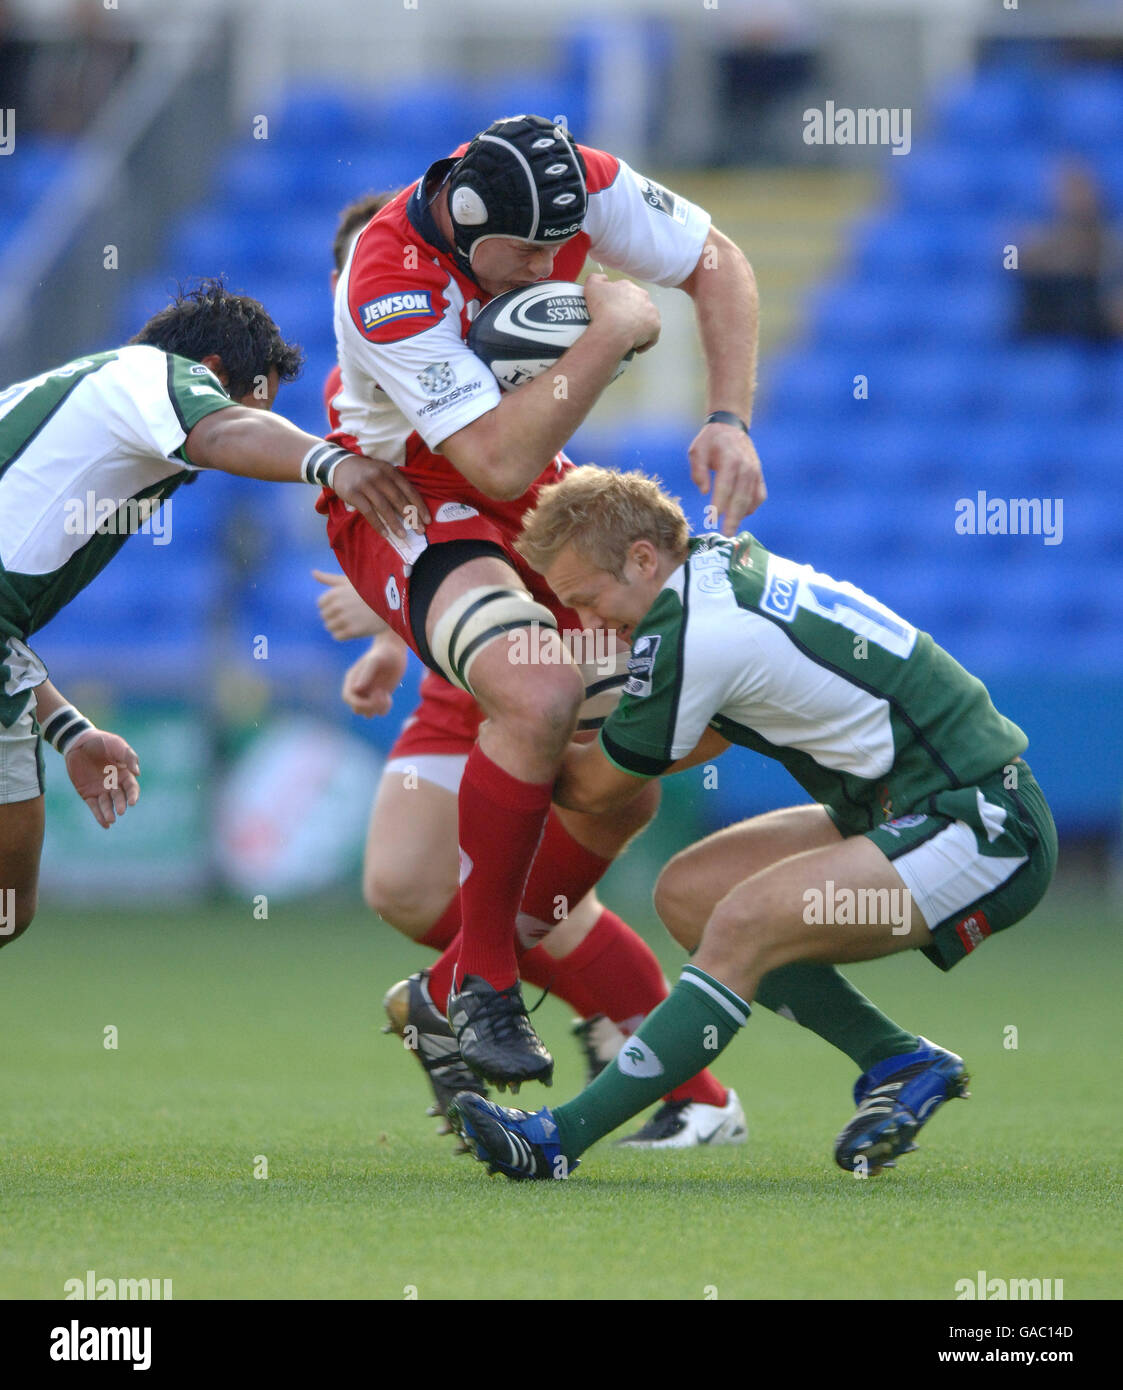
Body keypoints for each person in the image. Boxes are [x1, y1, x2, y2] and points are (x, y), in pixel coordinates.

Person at [447, 467, 1058, 1179]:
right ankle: (898, 1060)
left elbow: (592, 789)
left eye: (587, 599)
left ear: (643, 559)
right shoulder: (711, 567)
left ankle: (554, 1140)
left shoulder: (695, 630)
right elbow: (700, 733)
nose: (587, 623)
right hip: (907, 803)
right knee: (691, 894)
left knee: (739, 923)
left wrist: (517, 737)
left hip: (980, 822)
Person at [322, 113, 765, 1088]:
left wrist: (727, 415)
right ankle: (482, 984)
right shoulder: (386, 279)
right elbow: (487, 457)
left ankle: (489, 998)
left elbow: (718, 261)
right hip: (414, 498)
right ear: (464, 220)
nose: (542, 269)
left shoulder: (576, 184)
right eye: (522, 255)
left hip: (529, 486)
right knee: (533, 698)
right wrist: (608, 330)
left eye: (555, 251)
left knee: (667, 719)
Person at [0, 279, 424, 949]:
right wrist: (333, 465)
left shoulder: (74, 406)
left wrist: (67, 729)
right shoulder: (153, 374)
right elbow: (226, 431)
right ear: (216, 374)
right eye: (260, 403)